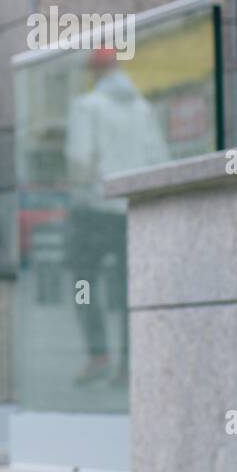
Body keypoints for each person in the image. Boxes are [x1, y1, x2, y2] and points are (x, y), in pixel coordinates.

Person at [64, 47, 170, 386]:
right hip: (132, 211)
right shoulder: (143, 109)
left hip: (94, 210)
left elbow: (80, 159)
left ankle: (98, 355)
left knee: (83, 284)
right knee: (129, 292)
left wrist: (76, 195)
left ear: (95, 73)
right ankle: (128, 365)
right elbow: (159, 159)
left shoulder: (87, 106)